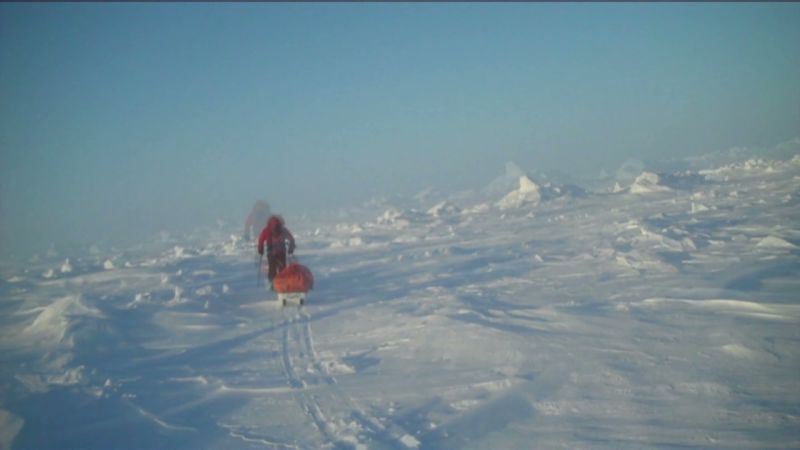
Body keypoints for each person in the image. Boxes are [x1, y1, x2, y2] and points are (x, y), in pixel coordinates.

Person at [258, 215, 296, 287]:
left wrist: (261, 249)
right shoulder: (283, 230)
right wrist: (291, 248)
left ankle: (271, 284)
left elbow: (261, 240)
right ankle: (282, 283)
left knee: (272, 269)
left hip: (271, 252)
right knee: (282, 269)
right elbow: (291, 239)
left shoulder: (266, 230)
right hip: (281, 252)